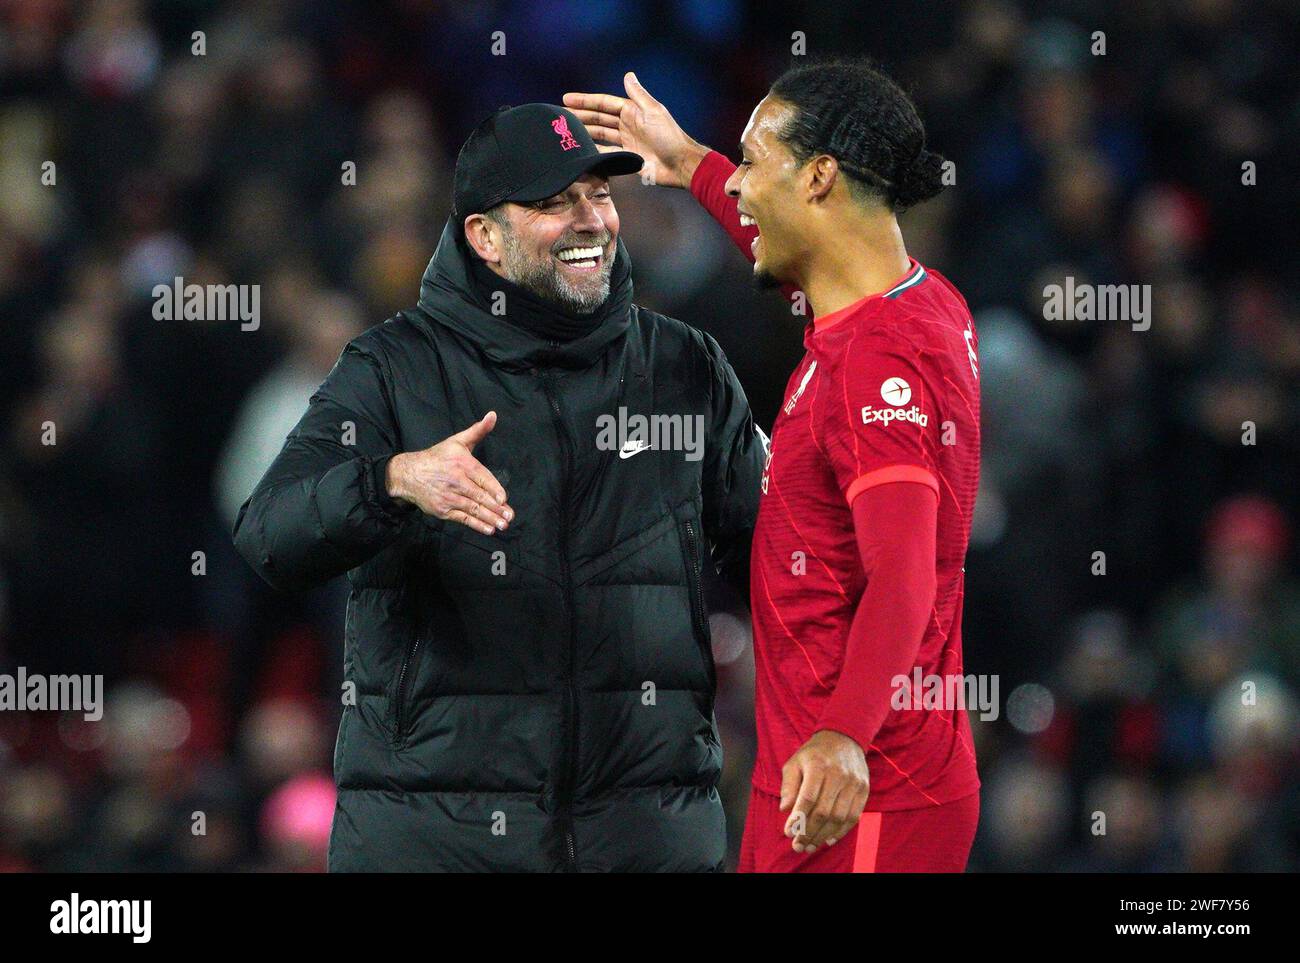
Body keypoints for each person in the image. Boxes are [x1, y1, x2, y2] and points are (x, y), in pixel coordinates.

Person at [233, 103, 766, 871]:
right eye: (554, 203)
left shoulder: (684, 367)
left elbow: (778, 565)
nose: (592, 221)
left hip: (645, 836)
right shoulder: (394, 369)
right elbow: (268, 533)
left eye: (599, 194)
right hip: (438, 837)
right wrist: (393, 480)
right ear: (485, 237)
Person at [566, 59, 982, 872]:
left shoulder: (876, 364)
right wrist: (689, 164)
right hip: (815, 775)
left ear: (819, 178)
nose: (744, 189)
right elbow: (787, 246)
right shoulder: (913, 300)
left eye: (754, 163)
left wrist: (843, 737)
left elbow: (903, 577)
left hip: (860, 791)